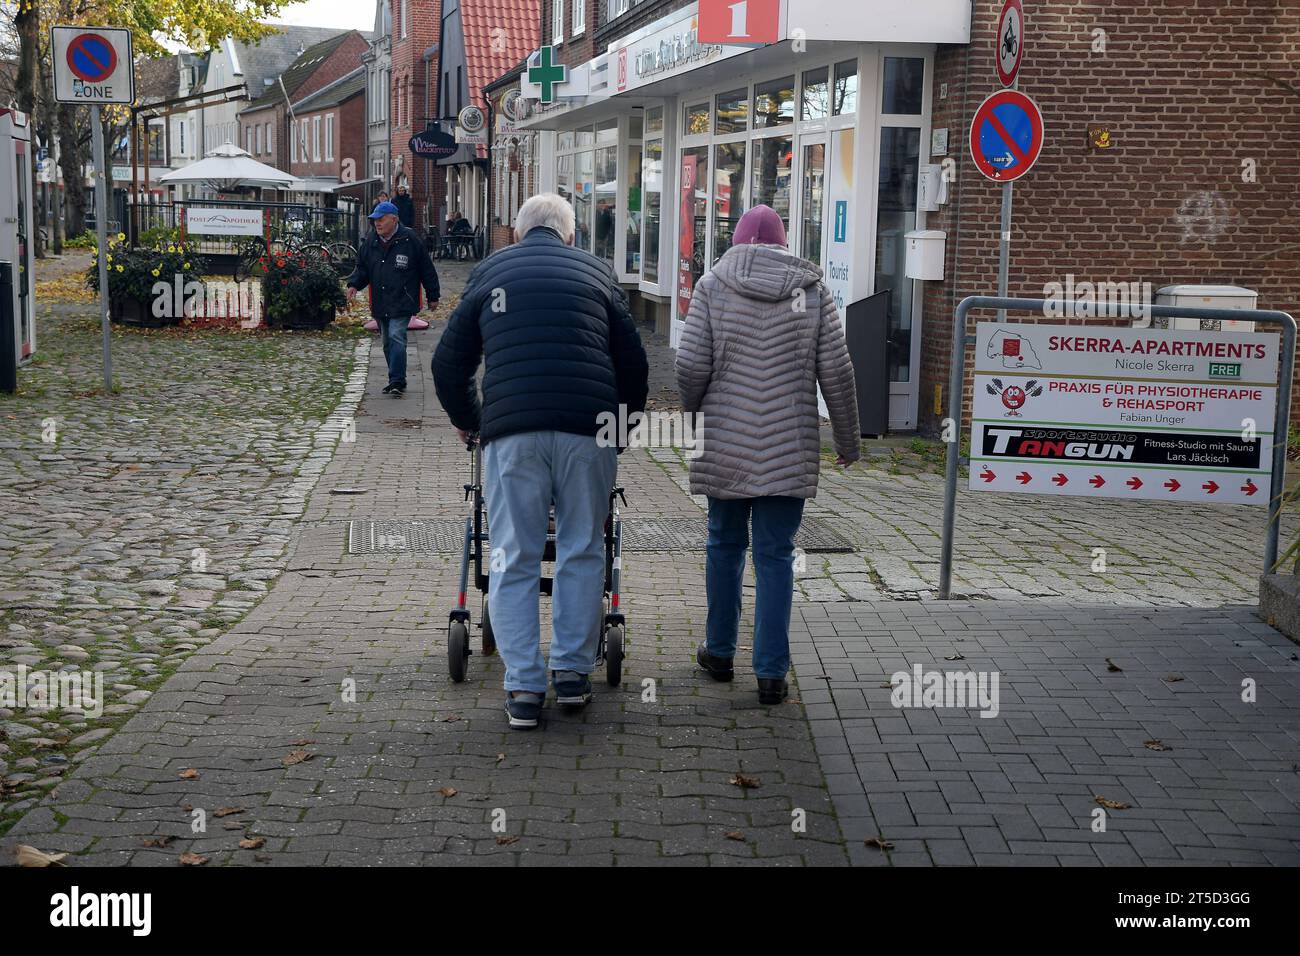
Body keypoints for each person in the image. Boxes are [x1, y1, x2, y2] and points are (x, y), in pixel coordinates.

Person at [432, 193, 649, 730]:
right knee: (581, 548)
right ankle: (572, 675)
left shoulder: (490, 271)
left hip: (513, 435)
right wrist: (619, 427)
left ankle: (524, 687)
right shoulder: (597, 275)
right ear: (569, 235)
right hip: (588, 433)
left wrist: (473, 418)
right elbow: (634, 363)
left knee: (511, 555)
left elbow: (446, 361)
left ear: (518, 232)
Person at [675, 204, 860, 706]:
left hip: (725, 443)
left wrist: (692, 410)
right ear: (783, 243)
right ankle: (772, 674)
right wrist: (848, 441)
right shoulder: (812, 292)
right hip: (789, 445)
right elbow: (837, 374)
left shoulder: (714, 285)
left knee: (724, 544)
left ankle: (718, 652)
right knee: (776, 556)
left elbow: (690, 366)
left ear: (736, 241)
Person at [346, 200, 440, 397]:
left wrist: (433, 295)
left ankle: (396, 380)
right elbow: (363, 268)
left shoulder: (410, 239)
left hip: (403, 298)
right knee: (387, 342)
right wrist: (354, 284)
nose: (377, 224)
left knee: (397, 335)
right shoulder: (371, 242)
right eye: (374, 220)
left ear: (394, 219)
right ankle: (396, 378)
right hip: (380, 299)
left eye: (381, 220)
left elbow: (426, 269)